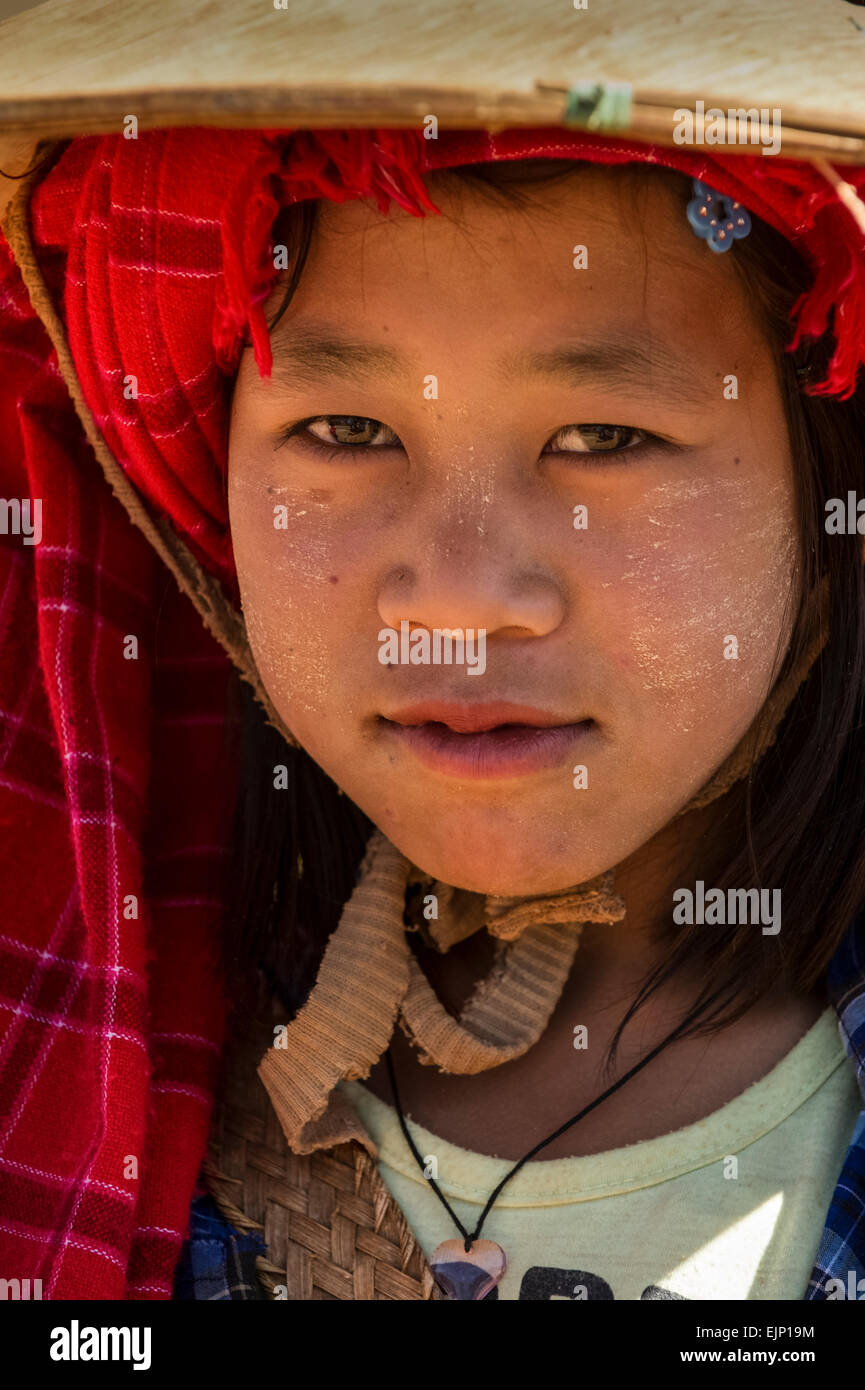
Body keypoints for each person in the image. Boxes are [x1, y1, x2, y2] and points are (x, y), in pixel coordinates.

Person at [0, 124, 864, 1302]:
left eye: (604, 437)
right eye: (347, 431)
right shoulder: (77, 1076)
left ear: (828, 500)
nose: (458, 599)